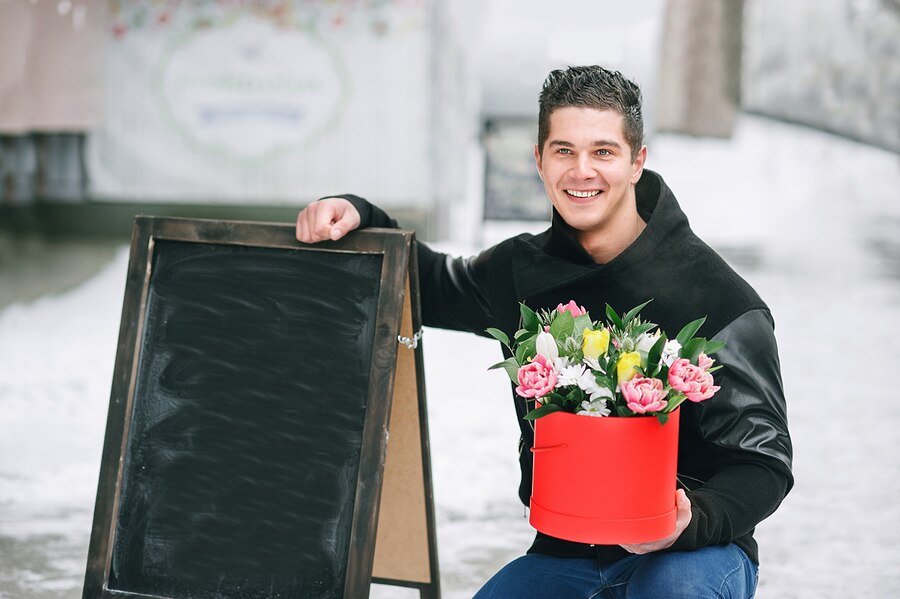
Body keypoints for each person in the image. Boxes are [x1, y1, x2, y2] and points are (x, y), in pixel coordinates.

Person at [296, 65, 792, 598]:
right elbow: (427, 284)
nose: (582, 171)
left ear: (636, 162)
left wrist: (691, 521)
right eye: (563, 151)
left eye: (603, 152)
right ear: (538, 160)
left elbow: (763, 461)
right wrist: (355, 213)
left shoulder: (721, 299)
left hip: (695, 555)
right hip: (567, 553)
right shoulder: (518, 270)